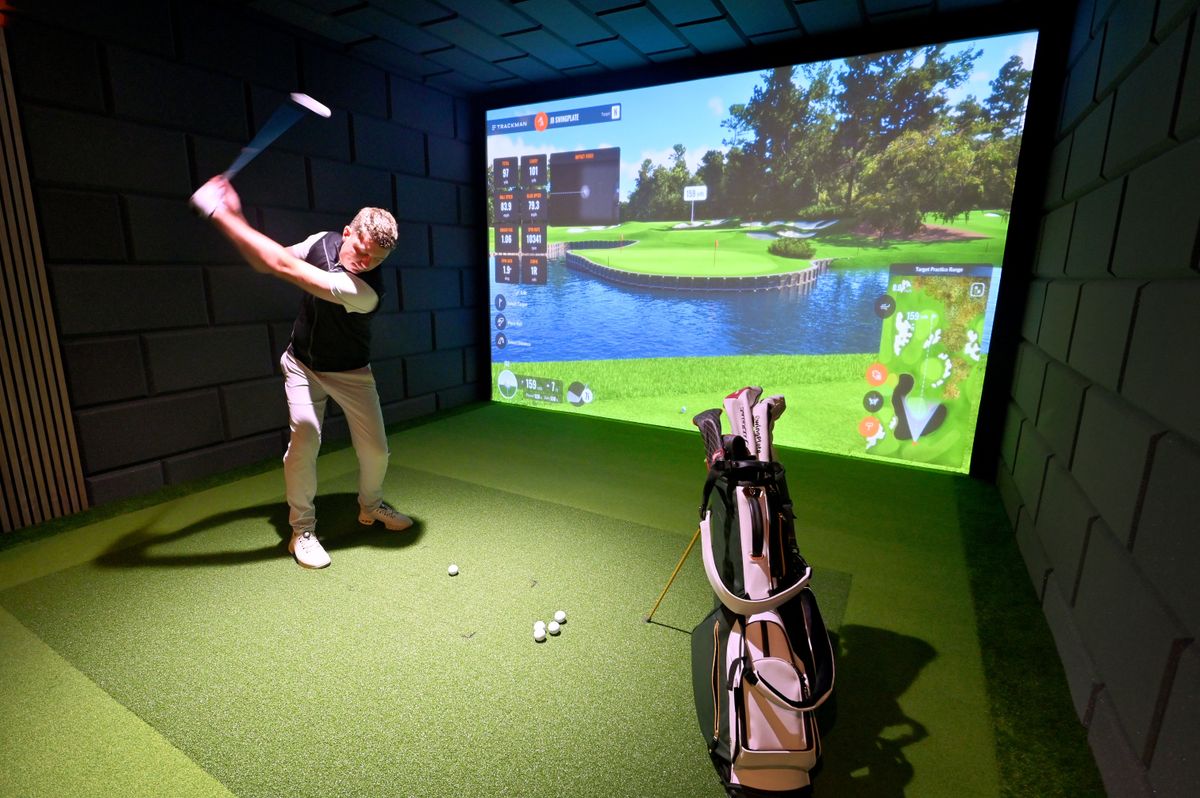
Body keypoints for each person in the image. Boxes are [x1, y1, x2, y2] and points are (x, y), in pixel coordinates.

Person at [190, 176, 412, 569]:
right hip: (303, 365)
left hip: (351, 373)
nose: (364, 262)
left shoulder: (366, 292)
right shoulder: (319, 242)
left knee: (376, 451)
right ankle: (301, 532)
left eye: (375, 259)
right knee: (306, 435)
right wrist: (236, 212)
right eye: (361, 249)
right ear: (347, 232)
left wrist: (220, 212)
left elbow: (279, 264)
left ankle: (371, 506)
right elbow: (266, 259)